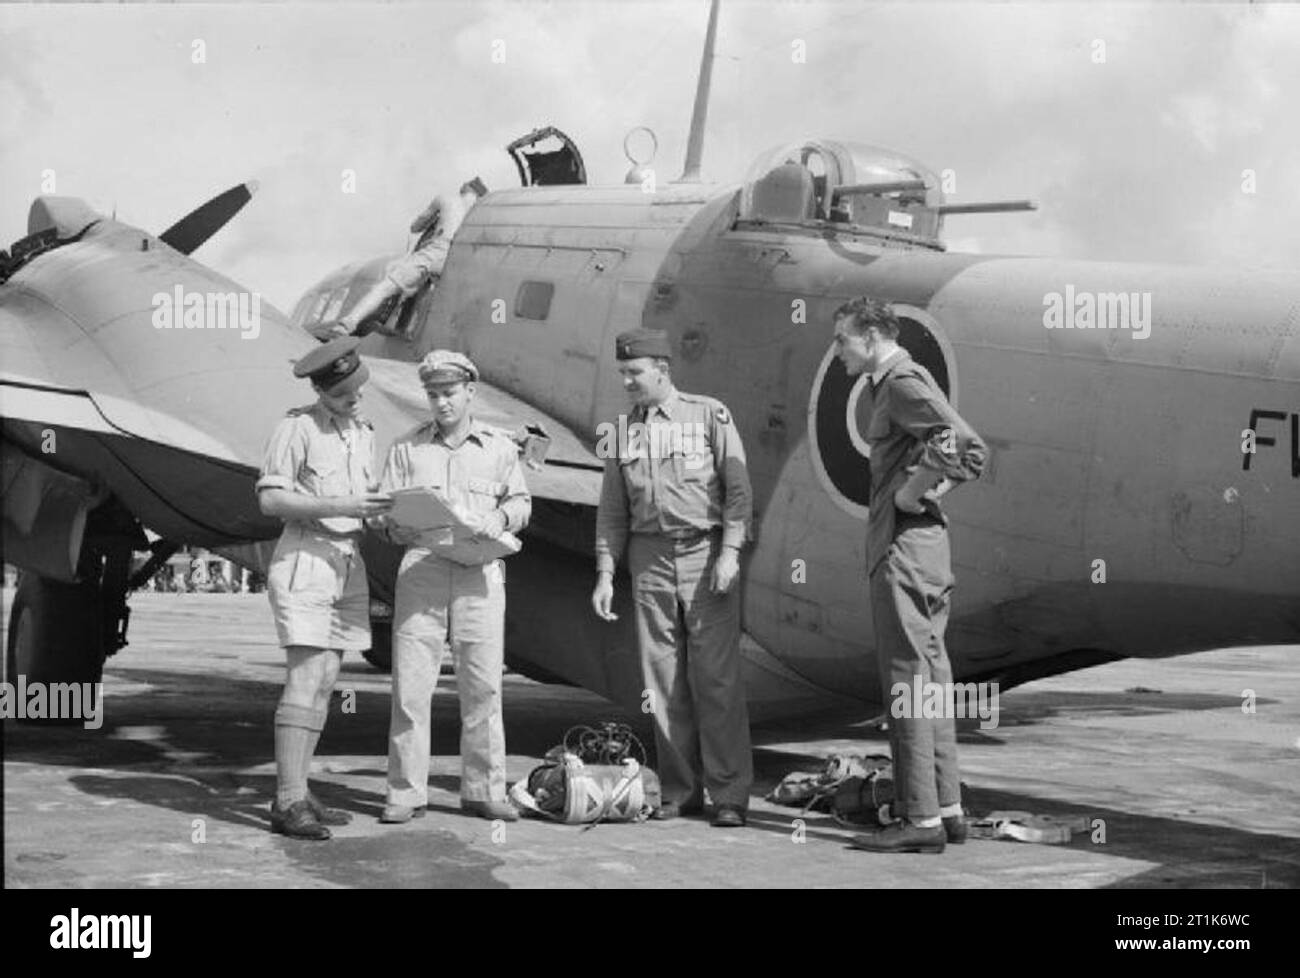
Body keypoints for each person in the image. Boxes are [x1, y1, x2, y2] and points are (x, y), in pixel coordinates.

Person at [830, 297, 987, 854]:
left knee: (908, 685)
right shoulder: (890, 383)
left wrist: (910, 493)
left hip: (904, 552)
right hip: (920, 551)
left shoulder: (901, 381)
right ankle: (945, 810)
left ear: (871, 336)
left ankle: (918, 818)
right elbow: (955, 452)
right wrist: (926, 489)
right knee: (930, 686)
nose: (839, 351)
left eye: (844, 340)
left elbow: (965, 447)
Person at [591, 328, 754, 827]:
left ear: (662, 368)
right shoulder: (622, 432)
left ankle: (729, 795)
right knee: (663, 683)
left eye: (635, 372)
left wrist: (729, 552)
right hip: (649, 560)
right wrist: (603, 573)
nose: (627, 381)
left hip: (704, 555)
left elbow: (739, 491)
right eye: (622, 373)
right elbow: (612, 513)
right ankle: (682, 791)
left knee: (717, 681)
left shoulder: (709, 414)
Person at [375, 350, 530, 823]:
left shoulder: (500, 448)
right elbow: (384, 510)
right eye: (433, 394)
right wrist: (392, 525)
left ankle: (483, 790)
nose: (441, 403)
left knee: (483, 686)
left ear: (470, 393)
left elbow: (521, 502)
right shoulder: (406, 447)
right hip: (422, 568)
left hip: (479, 572)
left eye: (449, 393)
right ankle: (405, 792)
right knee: (411, 688)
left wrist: (500, 517)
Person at [256, 336, 393, 840]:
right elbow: (272, 500)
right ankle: (287, 801)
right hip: (306, 559)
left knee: (328, 678)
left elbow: (361, 501)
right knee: (306, 675)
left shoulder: (364, 431)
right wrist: (344, 506)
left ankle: (300, 788)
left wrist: (384, 516)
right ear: (319, 389)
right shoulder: (297, 428)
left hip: (347, 562)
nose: (353, 400)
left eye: (357, 390)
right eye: (341, 395)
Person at [333, 179, 486, 337]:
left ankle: (348, 324)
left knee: (385, 287)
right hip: (457, 258)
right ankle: (413, 333)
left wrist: (435, 219)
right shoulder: (481, 210)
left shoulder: (446, 199)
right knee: (427, 296)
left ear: (464, 188)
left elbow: (415, 227)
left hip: (436, 250)